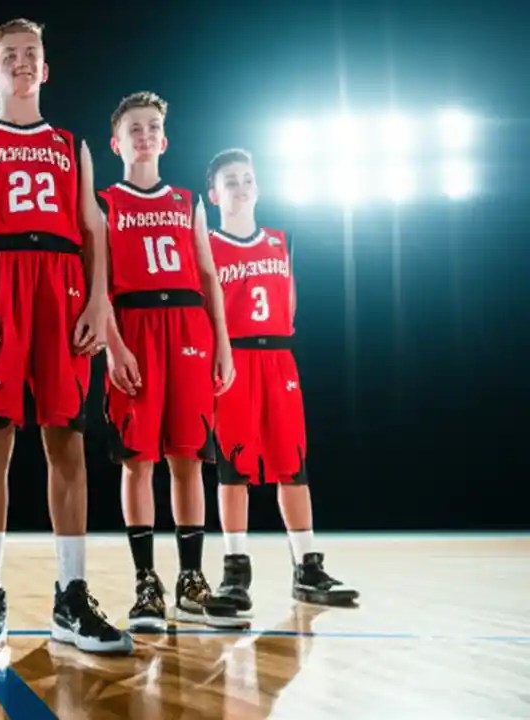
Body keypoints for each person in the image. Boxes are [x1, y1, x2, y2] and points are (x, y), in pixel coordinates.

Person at [0, 18, 133, 659]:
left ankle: (71, 596)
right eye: (9, 55)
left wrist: (99, 301)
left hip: (62, 285)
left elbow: (94, 230)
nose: (22, 62)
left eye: (32, 54)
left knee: (67, 442)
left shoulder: (71, 144)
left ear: (46, 69)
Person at [98, 91, 246, 630]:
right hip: (134, 324)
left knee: (189, 457)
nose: (145, 135)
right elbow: (98, 284)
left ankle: (190, 580)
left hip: (188, 327)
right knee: (138, 460)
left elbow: (208, 275)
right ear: (117, 143)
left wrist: (222, 341)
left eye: (153, 127)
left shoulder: (187, 201)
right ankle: (146, 583)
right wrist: (113, 344)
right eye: (134, 128)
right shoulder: (105, 203)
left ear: (165, 139)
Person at [205, 148, 359, 610]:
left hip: (278, 359)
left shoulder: (280, 241)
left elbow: (289, 305)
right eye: (230, 181)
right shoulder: (206, 246)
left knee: (292, 463)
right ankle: (235, 573)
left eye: (247, 178)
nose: (241, 187)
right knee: (234, 468)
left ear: (258, 187)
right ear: (214, 194)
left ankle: (308, 568)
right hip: (233, 359)